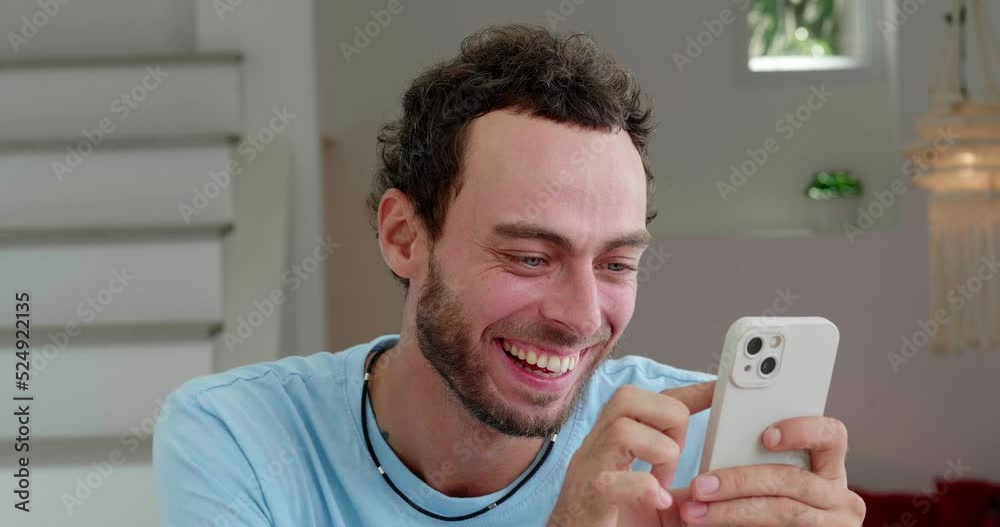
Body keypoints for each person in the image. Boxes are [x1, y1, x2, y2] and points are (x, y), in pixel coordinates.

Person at [153, 24, 865, 526]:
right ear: (405, 237)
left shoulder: (690, 452)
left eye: (617, 262)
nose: (582, 316)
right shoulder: (238, 436)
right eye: (530, 257)